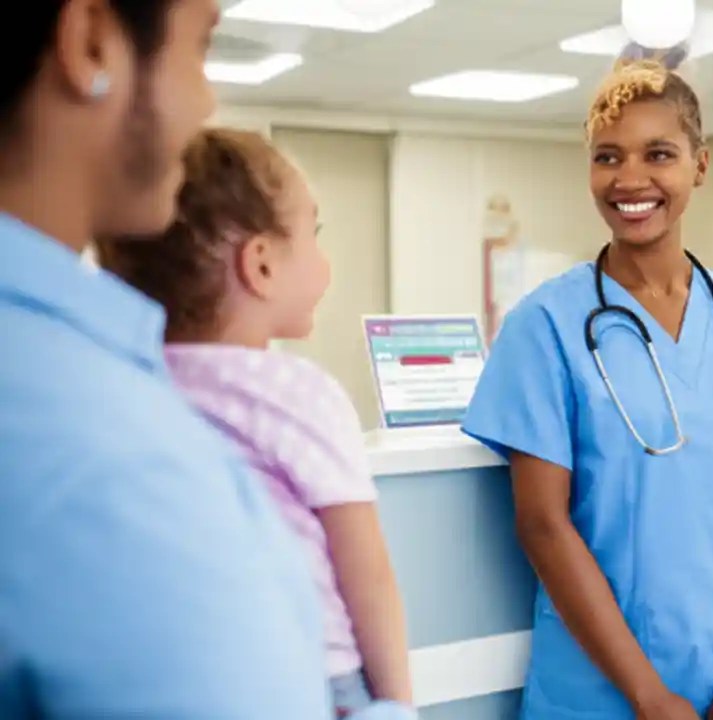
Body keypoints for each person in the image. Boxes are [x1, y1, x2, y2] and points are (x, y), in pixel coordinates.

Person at [0, 2, 410, 717]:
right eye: (201, 45)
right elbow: (366, 573)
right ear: (92, 41)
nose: (208, 97)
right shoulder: (111, 452)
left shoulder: (116, 387)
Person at [461, 54, 713, 719]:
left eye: (657, 154)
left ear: (700, 163)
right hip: (601, 694)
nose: (630, 179)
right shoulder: (544, 328)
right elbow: (543, 524)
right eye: (607, 157)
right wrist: (650, 697)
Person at [98, 128, 414, 717]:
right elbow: (366, 574)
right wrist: (398, 705)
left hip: (188, 681)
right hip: (318, 679)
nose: (323, 262)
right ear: (262, 264)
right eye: (313, 236)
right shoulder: (298, 394)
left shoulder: (125, 384)